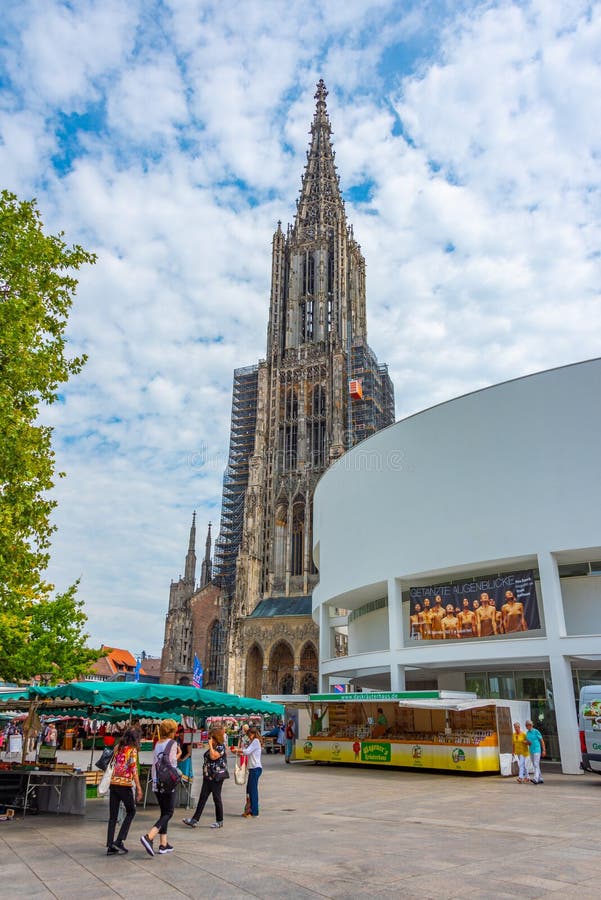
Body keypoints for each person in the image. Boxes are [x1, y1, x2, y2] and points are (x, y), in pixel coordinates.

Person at [140, 719, 181, 856]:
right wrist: (179, 754)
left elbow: (156, 763)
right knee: (169, 813)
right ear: (171, 731)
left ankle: (163, 844)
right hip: (168, 783)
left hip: (157, 782)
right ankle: (149, 836)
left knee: (164, 812)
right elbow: (172, 763)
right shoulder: (172, 743)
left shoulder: (158, 743)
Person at [182, 724, 229, 829]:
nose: (209, 738)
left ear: (216, 737)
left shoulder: (221, 747)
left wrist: (211, 746)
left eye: (211, 736)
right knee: (202, 798)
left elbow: (213, 756)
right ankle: (194, 820)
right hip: (208, 776)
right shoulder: (215, 745)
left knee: (216, 798)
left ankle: (220, 820)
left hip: (216, 777)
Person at [106, 727, 143, 855]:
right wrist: (138, 788)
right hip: (125, 785)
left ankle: (110, 844)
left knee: (113, 816)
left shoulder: (118, 747)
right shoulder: (132, 750)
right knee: (131, 811)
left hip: (113, 784)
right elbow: (134, 770)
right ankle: (119, 840)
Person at [233, 724, 262, 818]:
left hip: (255, 768)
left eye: (249, 735)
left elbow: (247, 751)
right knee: (249, 789)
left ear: (253, 734)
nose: (249, 737)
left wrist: (238, 750)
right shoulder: (253, 741)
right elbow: (246, 751)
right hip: (253, 768)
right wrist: (239, 751)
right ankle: (249, 809)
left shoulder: (256, 741)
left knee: (252, 790)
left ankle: (254, 811)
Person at [525, 720, 546, 784]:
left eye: (527, 725)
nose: (526, 726)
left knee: (536, 764)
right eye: (526, 725)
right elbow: (529, 743)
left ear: (530, 725)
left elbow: (542, 741)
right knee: (535, 765)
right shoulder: (527, 733)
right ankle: (540, 778)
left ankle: (535, 779)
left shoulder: (536, 731)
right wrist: (527, 742)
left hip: (537, 750)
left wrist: (544, 750)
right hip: (531, 750)